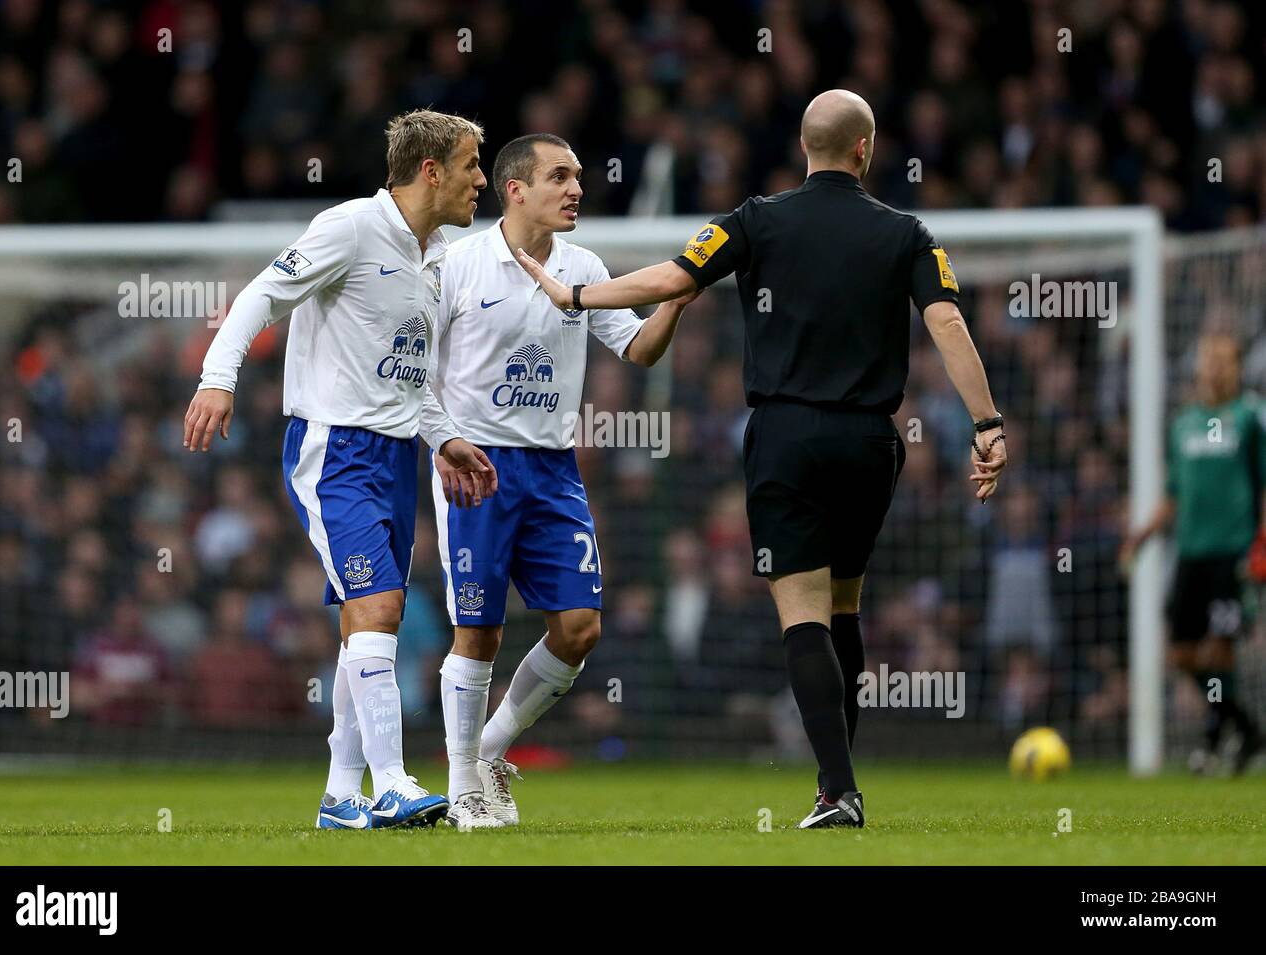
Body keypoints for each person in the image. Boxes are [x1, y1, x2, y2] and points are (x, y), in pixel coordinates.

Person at [517, 90, 1007, 828]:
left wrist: (575, 292)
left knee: (803, 612)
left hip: (786, 437)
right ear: (865, 151)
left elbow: (673, 279)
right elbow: (946, 319)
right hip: (874, 441)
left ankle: (838, 790)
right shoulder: (907, 233)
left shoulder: (757, 219)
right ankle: (835, 779)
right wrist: (987, 423)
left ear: (804, 147)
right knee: (845, 604)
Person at [184, 110, 498, 830]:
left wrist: (444, 438)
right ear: (430, 171)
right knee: (380, 606)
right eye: (471, 164)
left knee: (366, 622)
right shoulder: (352, 227)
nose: (481, 179)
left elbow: (411, 383)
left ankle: (339, 794)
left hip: (395, 457)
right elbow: (261, 294)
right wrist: (217, 377)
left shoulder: (438, 255)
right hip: (335, 451)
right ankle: (389, 780)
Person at [428, 134, 696, 829]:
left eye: (578, 175)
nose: (577, 188)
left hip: (552, 468)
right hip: (477, 465)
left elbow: (637, 349)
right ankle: (461, 788)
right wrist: (442, 444)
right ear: (515, 189)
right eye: (560, 176)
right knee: (478, 631)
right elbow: (415, 369)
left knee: (579, 628)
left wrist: (674, 299)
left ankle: (487, 751)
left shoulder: (584, 265)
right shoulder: (457, 264)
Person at [1122, 333, 1264, 773]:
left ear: (1238, 368)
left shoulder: (1250, 418)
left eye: (1225, 360)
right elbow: (1174, 493)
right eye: (1210, 360)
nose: (1217, 368)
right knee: (1181, 654)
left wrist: (1261, 544)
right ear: (1199, 367)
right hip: (1192, 553)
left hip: (1233, 552)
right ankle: (1247, 730)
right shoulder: (1184, 424)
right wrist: (1142, 534)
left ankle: (1211, 740)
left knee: (1220, 649)